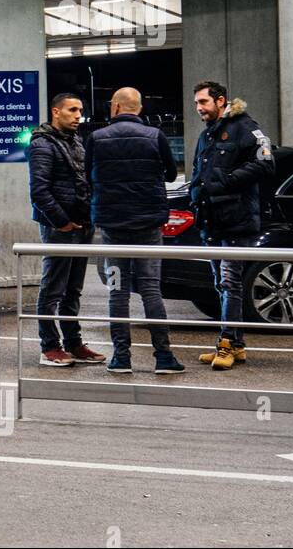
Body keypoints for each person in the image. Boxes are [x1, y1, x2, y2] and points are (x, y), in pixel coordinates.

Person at [85, 87, 184, 375]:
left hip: (113, 228)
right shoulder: (155, 136)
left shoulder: (97, 138)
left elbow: (88, 174)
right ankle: (163, 357)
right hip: (149, 226)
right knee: (152, 290)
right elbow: (170, 174)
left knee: (118, 292)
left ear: (115, 107)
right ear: (138, 108)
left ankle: (121, 358)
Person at [188, 81, 274, 370]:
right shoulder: (206, 135)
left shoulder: (246, 127)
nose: (199, 108)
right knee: (221, 284)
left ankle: (225, 344)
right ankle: (236, 345)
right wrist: (196, 195)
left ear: (220, 100)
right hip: (211, 221)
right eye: (197, 103)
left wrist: (223, 183)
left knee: (230, 282)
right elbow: (198, 173)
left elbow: (265, 164)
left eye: (204, 102)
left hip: (236, 220)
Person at [28, 93, 104, 367]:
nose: (77, 116)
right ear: (55, 112)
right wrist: (62, 221)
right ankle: (49, 347)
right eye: (72, 110)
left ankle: (73, 343)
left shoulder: (76, 142)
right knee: (53, 290)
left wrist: (87, 217)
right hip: (59, 228)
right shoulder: (42, 145)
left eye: (80, 110)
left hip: (81, 225)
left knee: (73, 290)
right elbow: (39, 191)